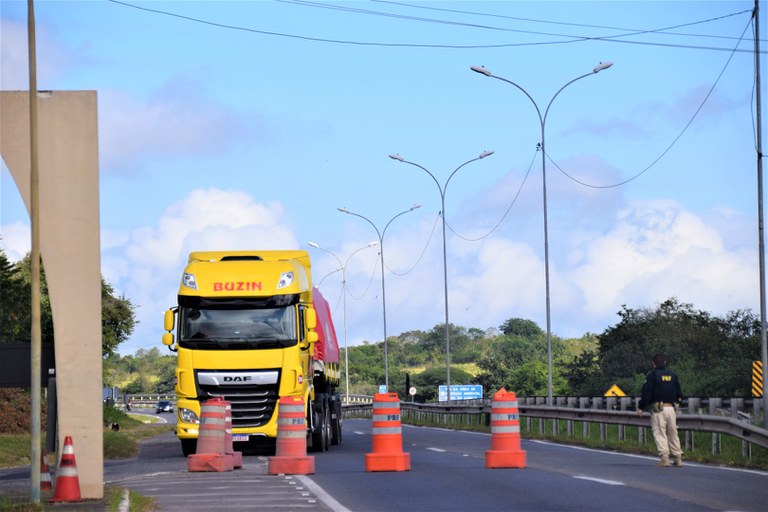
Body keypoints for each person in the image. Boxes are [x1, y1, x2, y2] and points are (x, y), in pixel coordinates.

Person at [636, 354, 684, 467]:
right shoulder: (673, 375)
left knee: (660, 433)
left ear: (653, 364)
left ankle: (664, 458)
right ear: (665, 362)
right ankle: (678, 458)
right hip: (671, 409)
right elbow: (679, 393)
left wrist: (641, 407)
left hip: (658, 410)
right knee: (673, 433)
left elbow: (646, 393)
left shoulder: (652, 376)